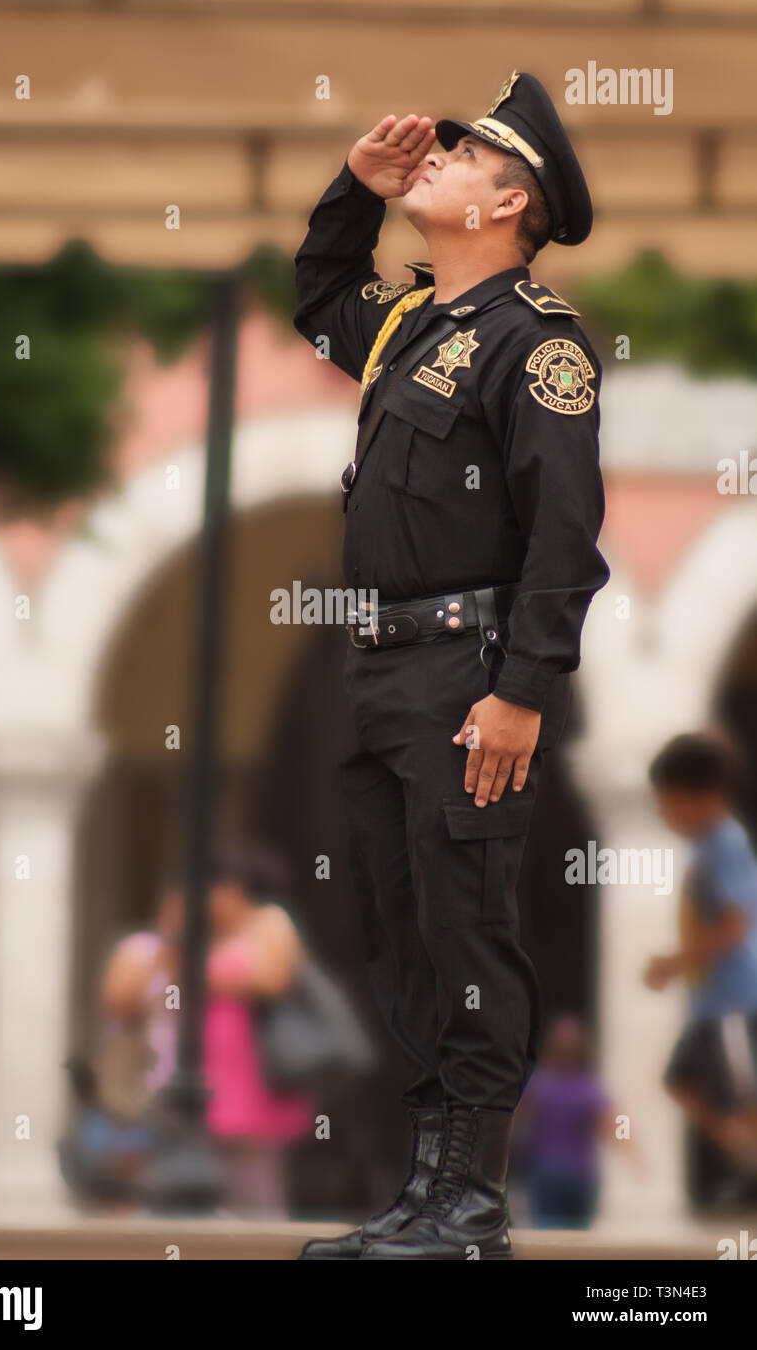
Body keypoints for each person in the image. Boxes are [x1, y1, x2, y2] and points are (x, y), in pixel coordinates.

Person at [293, 71, 609, 1259]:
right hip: (378, 671)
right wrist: (350, 190)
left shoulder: (538, 348)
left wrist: (521, 689)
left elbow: (562, 534)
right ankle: (425, 1193)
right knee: (400, 927)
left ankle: (471, 1201)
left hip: (465, 674)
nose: (434, 154)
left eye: (462, 152)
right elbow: (319, 290)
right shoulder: (406, 323)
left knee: (467, 922)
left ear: (507, 196)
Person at [100, 850, 313, 1218]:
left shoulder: (265, 925)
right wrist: (171, 941)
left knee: (253, 1196)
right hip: (163, 1091)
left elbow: (269, 978)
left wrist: (195, 967)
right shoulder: (162, 946)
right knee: (148, 1194)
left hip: (248, 1090)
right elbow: (122, 999)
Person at [643, 732, 757, 1179]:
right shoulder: (706, 847)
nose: (664, 814)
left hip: (734, 1000)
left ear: (706, 797)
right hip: (709, 1004)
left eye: (669, 802)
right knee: (683, 1083)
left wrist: (673, 963)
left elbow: (735, 923)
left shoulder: (725, 842)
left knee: (743, 1099)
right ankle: (746, 1162)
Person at [514, 1016, 636, 1229]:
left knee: (549, 1238)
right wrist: (632, 1154)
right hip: (576, 1175)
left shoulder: (540, 1084)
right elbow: (613, 1125)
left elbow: (514, 1119)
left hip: (551, 1174)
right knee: (576, 1240)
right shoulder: (588, 1088)